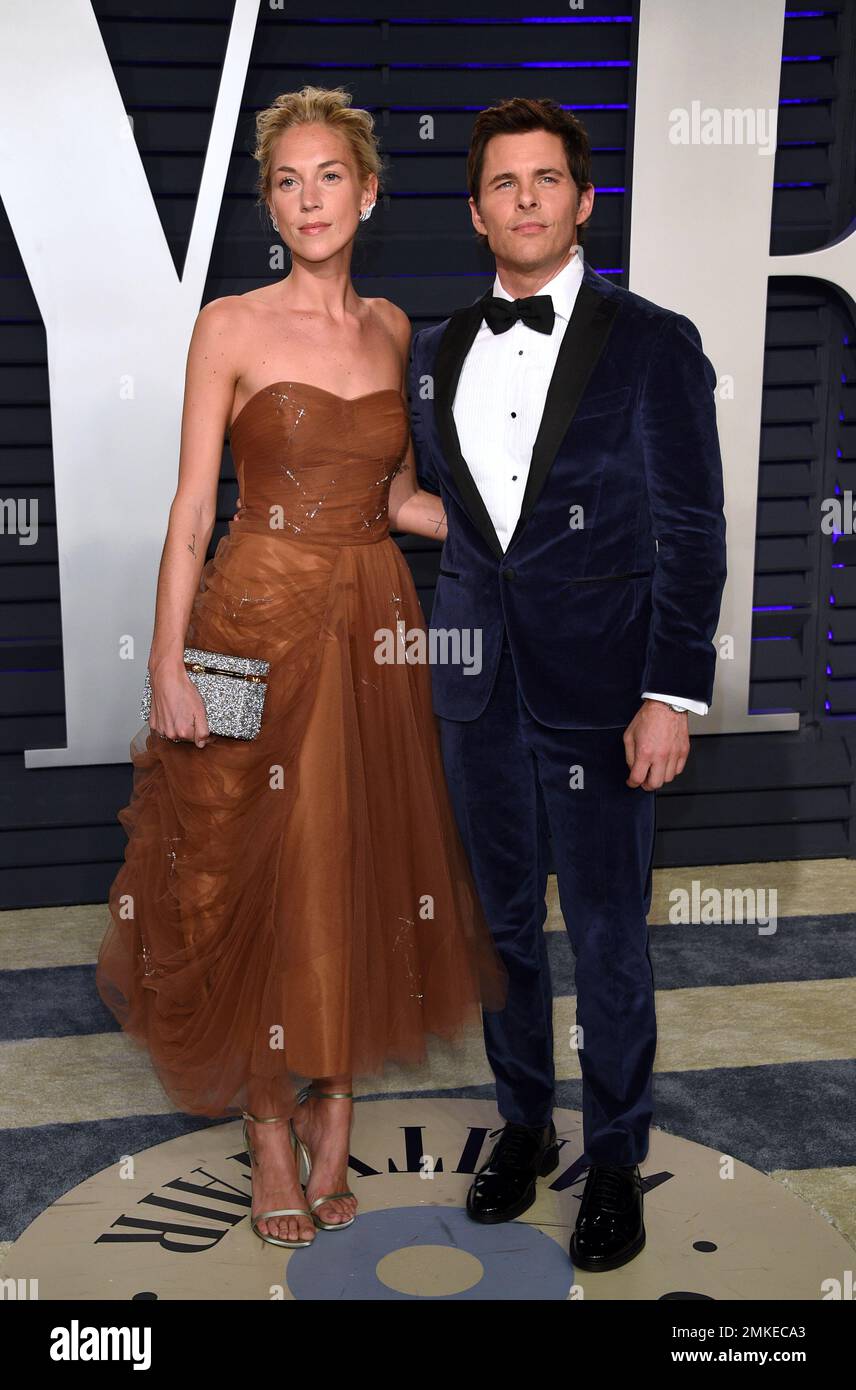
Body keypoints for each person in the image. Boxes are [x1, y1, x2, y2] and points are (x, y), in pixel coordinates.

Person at [96, 84, 507, 1253]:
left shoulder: (391, 330)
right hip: (246, 619)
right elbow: (190, 507)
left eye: (329, 175)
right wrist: (169, 661)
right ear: (270, 204)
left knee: (353, 867)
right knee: (239, 861)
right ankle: (268, 1123)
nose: (309, 197)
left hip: (371, 620)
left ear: (367, 192)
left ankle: (334, 1108)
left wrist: (510, 524)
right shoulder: (228, 323)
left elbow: (398, 499)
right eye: (287, 180)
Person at [406, 97, 727, 1272]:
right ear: (477, 207)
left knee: (606, 938)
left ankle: (617, 1151)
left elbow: (693, 529)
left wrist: (670, 693)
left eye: (547, 179)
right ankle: (526, 1124)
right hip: (474, 684)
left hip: (605, 690)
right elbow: (472, 521)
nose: (526, 198)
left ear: (583, 201)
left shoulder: (652, 341)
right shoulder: (438, 349)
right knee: (501, 930)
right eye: (504, 182)